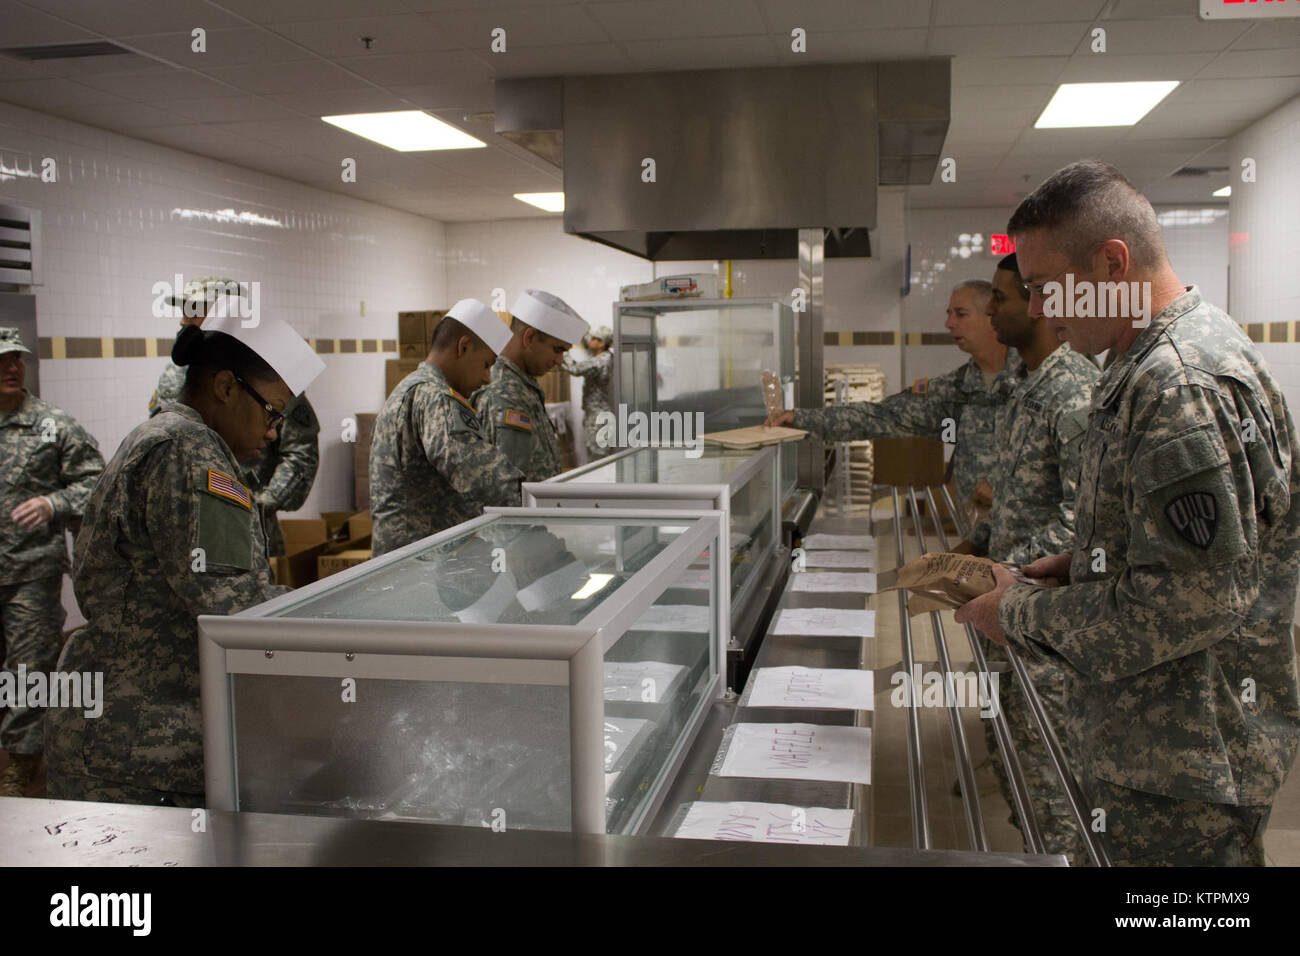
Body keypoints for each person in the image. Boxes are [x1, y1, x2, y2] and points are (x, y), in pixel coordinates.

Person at [956, 159, 1300, 866]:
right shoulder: (1146, 362)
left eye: (1048, 288)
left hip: (1185, 760)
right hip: (1158, 742)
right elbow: (1175, 555)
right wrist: (1080, 566)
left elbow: (1189, 603)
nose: (1042, 309)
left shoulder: (1178, 381)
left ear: (1113, 262)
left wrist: (1014, 614)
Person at [46, 311, 324, 807]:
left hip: (140, 731)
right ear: (224, 387)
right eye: (271, 411)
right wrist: (332, 615)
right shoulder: (188, 452)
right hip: (142, 743)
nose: (274, 432)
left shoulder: (173, 438)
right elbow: (236, 607)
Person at [960, 254, 1100, 864]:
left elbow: (1081, 519)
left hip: (1044, 622)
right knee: (1013, 760)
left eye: (1000, 297)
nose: (992, 310)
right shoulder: (1024, 386)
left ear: (1037, 306)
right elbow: (1024, 497)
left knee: (1053, 781)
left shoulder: (1072, 389)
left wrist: (1001, 568)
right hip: (1005, 607)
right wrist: (980, 545)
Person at [767, 281, 1020, 511]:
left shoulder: (1033, 380)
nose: (949, 323)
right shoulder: (955, 390)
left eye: (961, 314)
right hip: (981, 539)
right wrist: (799, 419)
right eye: (949, 314)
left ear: (991, 318)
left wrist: (1004, 493)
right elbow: (878, 416)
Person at [0, 329, 104, 797]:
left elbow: (96, 484)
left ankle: (20, 769)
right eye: (2, 360)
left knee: (28, 672)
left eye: (17, 359)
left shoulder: (52, 425)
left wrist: (53, 502)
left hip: (31, 572)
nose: (12, 368)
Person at [148, 277, 320, 558]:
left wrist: (263, 502)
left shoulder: (266, 378)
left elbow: (300, 451)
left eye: (194, 312)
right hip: (187, 524)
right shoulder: (174, 376)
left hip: (252, 525)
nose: (183, 323)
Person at [369, 298, 524, 557]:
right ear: (463, 347)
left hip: (404, 563)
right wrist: (537, 499)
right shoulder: (436, 397)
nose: (487, 378)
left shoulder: (409, 389)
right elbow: (479, 475)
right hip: (422, 565)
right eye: (486, 364)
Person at [475, 289, 589, 481]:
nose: (559, 361)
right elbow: (508, 485)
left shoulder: (522, 384)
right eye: (557, 349)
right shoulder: (504, 392)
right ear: (529, 337)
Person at [563, 325, 615, 462]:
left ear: (601, 343)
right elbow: (587, 338)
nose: (589, 340)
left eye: (594, 339)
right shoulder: (605, 356)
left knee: (598, 458)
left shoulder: (600, 360)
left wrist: (561, 351)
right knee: (596, 454)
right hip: (597, 414)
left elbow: (575, 369)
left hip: (598, 417)